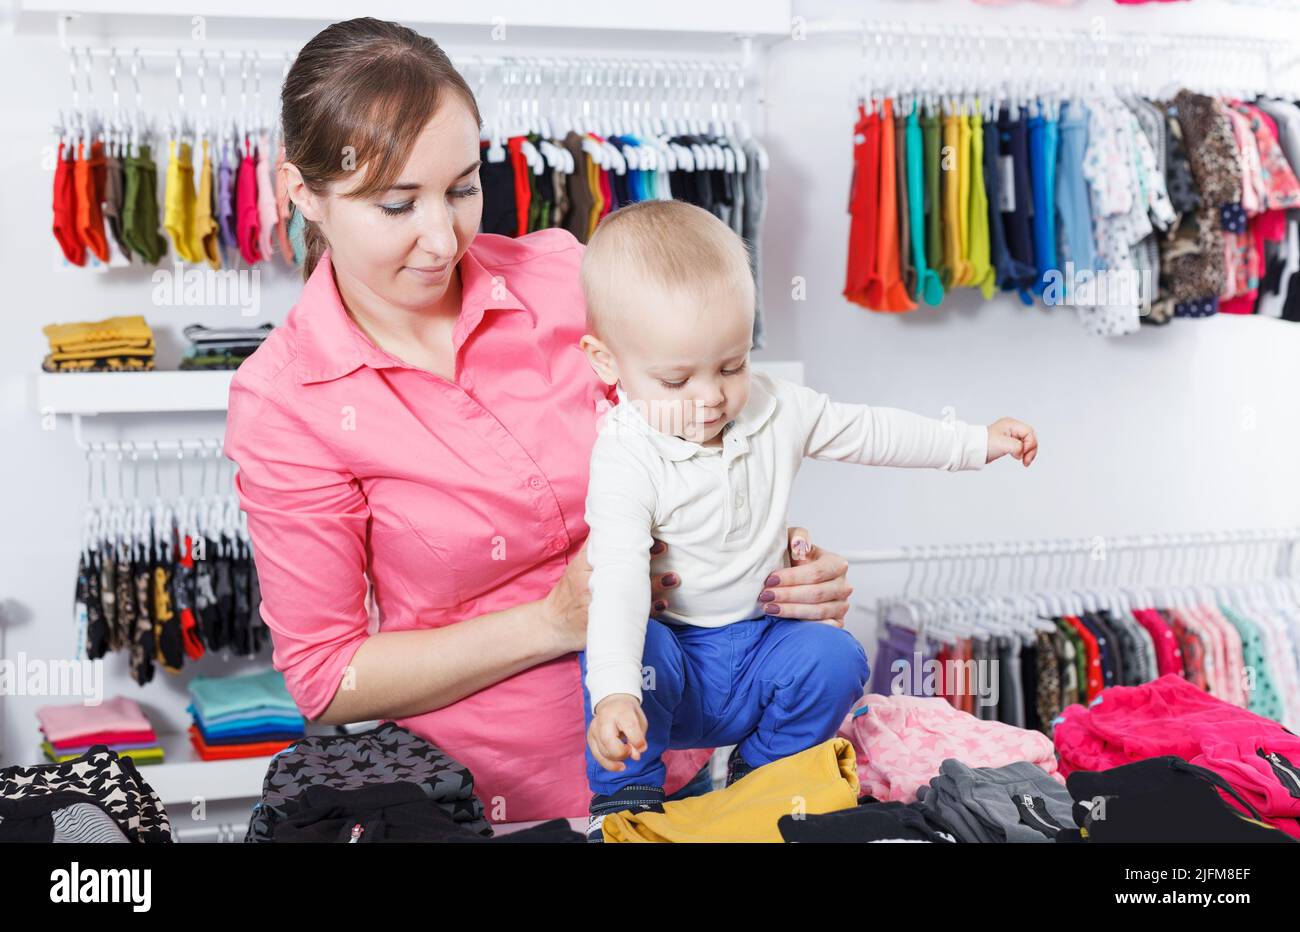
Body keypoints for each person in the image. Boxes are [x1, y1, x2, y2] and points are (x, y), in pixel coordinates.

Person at [223, 17, 856, 824]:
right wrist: (551, 623)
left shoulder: (563, 276)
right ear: (301, 193)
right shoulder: (286, 401)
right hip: (489, 806)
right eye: (395, 204)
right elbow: (327, 676)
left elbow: (695, 443)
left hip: (684, 774)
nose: (443, 237)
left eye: (460, 188)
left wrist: (781, 560)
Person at [576, 200, 1039, 840]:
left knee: (833, 655)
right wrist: (616, 694)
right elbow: (621, 576)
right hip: (672, 663)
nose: (710, 396)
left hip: (760, 644)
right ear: (607, 363)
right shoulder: (626, 451)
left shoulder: (775, 409)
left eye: (731, 365)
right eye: (676, 379)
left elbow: (873, 430)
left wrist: (974, 443)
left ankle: (760, 781)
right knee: (631, 647)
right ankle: (626, 803)